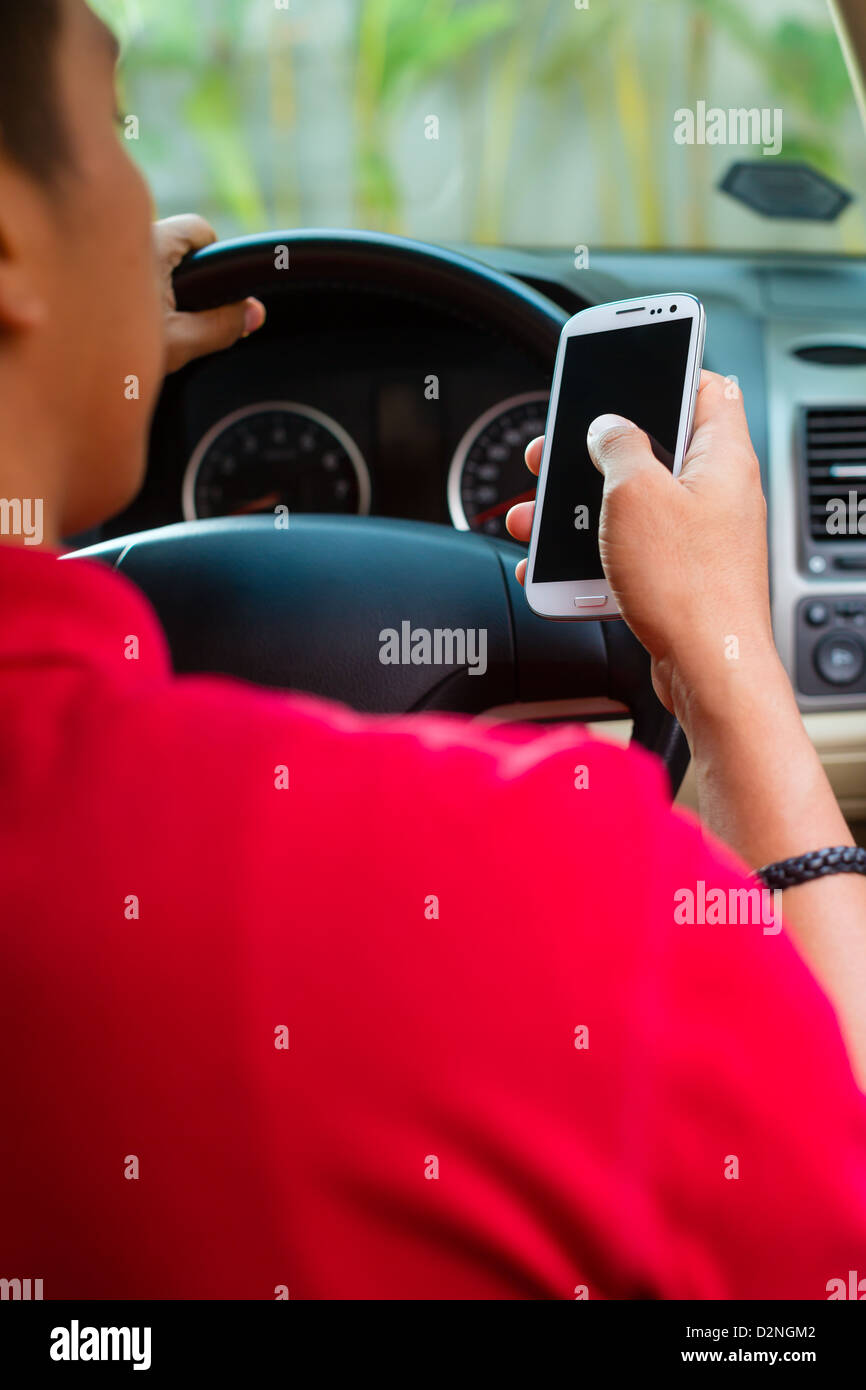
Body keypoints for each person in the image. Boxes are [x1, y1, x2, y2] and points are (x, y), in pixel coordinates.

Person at [1, 0, 865, 1301]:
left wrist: (65, 392)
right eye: (118, 127)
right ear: (12, 250)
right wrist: (730, 673)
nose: (146, 198)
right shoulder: (558, 881)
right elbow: (829, 1223)